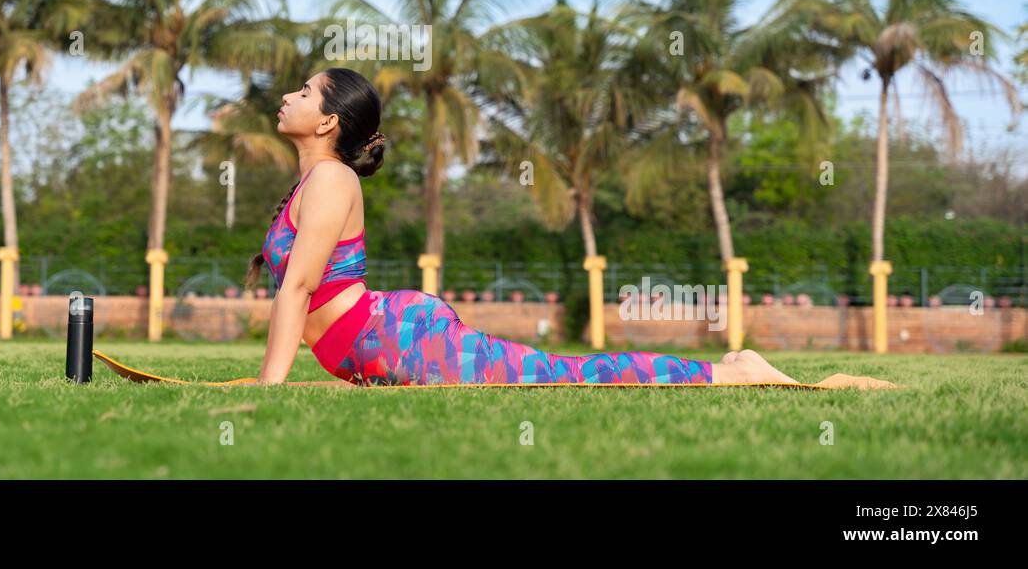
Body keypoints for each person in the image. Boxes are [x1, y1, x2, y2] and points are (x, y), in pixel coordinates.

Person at [245, 67, 801, 387]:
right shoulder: (314, 182)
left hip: (398, 338)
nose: (288, 96)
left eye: (303, 91)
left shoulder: (332, 179)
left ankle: (729, 373)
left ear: (327, 120)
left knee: (561, 375)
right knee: (557, 372)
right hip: (378, 345)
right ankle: (724, 369)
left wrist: (271, 389)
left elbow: (299, 287)